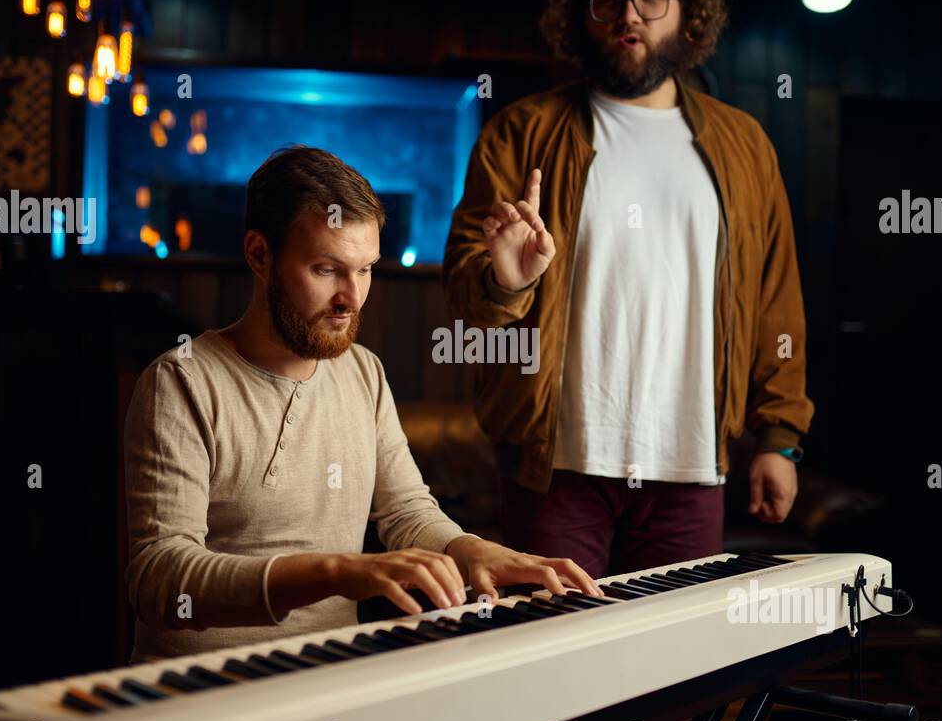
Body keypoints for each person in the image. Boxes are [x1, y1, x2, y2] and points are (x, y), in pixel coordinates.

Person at [442, 0, 814, 721]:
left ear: (688, 13)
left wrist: (780, 436)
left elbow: (776, 303)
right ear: (584, 14)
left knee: (678, 697)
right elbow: (468, 295)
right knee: (551, 695)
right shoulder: (521, 134)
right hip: (559, 464)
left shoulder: (744, 146)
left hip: (689, 470)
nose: (629, 15)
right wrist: (504, 280)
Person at [124, 145, 600, 663]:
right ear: (260, 255)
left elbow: (407, 512)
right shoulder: (182, 379)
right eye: (327, 269)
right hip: (199, 687)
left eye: (366, 269)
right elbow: (161, 578)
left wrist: (471, 550)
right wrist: (338, 570)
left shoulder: (363, 372)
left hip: (328, 677)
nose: (352, 298)